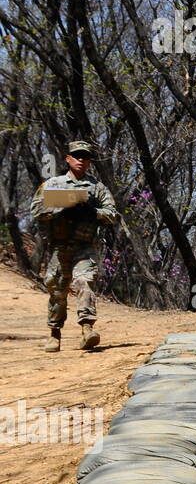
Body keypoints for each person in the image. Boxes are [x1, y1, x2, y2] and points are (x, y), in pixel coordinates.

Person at [28, 141, 118, 352]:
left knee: (84, 282)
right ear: (68, 158)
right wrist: (62, 207)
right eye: (77, 156)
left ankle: (87, 329)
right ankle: (54, 334)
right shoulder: (54, 184)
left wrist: (93, 212)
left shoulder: (96, 187)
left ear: (89, 162)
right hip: (60, 248)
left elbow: (112, 214)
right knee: (57, 292)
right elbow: (36, 209)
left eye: (85, 157)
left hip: (84, 246)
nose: (81, 160)